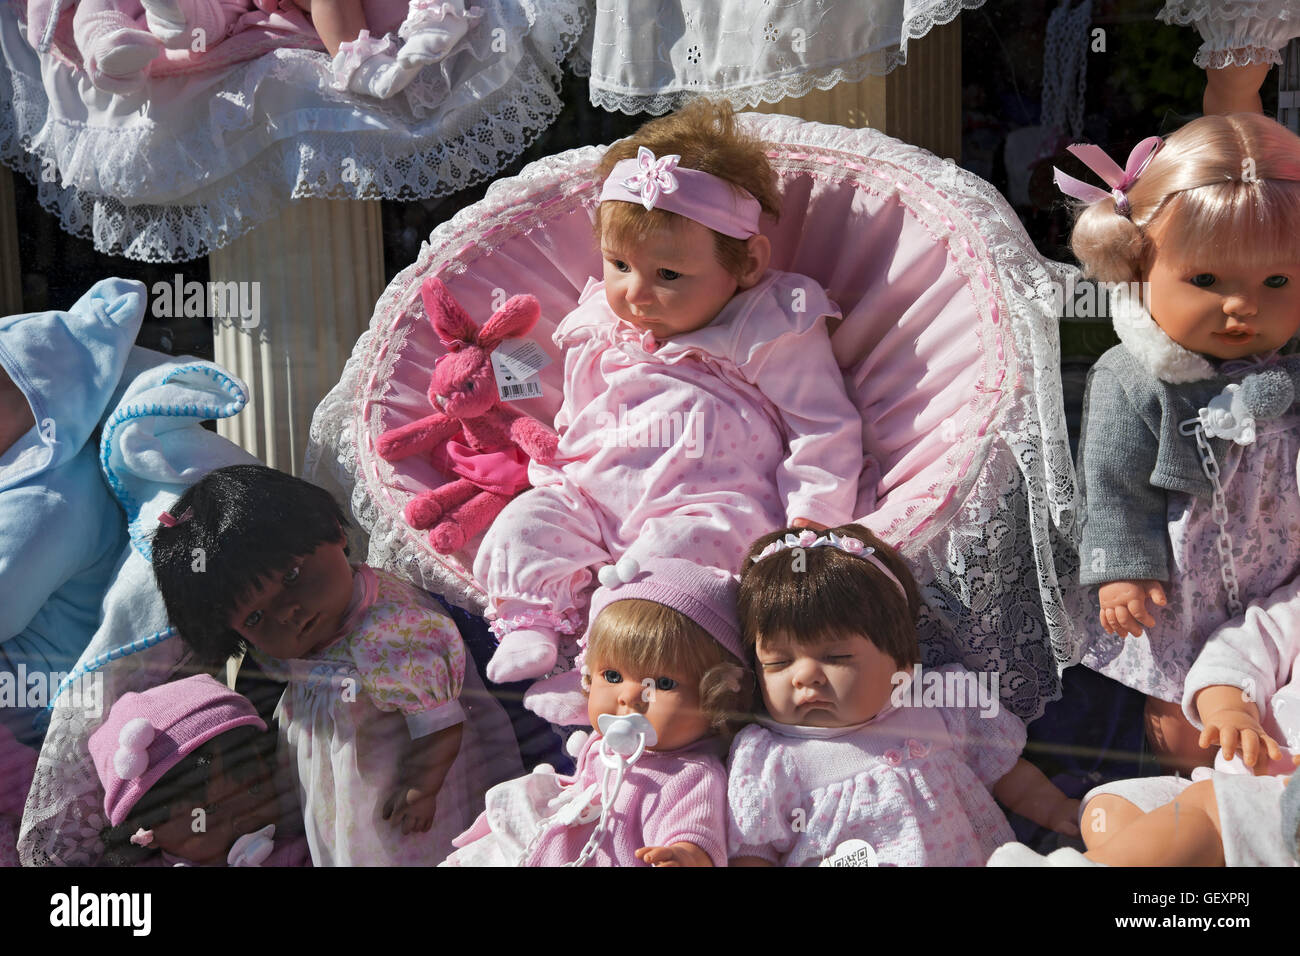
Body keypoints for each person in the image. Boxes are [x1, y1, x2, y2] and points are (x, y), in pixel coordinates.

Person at [475, 98, 865, 700]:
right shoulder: (597, 323)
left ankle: (607, 677)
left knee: (673, 565)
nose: (635, 292)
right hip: (594, 495)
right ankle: (533, 626)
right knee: (525, 524)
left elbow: (823, 427)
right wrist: (558, 480)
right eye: (619, 264)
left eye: (669, 276)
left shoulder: (768, 323)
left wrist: (812, 520)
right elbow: (579, 414)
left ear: (747, 264)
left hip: (704, 501)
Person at [1063, 113, 1300, 769]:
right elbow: (1112, 486)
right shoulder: (1138, 378)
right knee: (1184, 700)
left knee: (1269, 674)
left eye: (1276, 282)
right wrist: (1122, 571)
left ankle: (1260, 788)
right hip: (1181, 580)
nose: (1241, 307)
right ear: (1139, 265)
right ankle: (1186, 788)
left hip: (1275, 567)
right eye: (1206, 280)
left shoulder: (1285, 370)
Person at [150, 464, 520, 864]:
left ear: (333, 531)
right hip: (341, 790)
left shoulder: (392, 630)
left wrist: (422, 787)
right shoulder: (315, 628)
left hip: (400, 784)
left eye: (292, 576)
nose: (287, 612)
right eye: (255, 618)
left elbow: (440, 720)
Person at [728, 525, 1079, 866]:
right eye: (778, 662)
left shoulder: (939, 703)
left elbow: (1006, 773)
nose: (804, 676)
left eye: (837, 657)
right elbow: (755, 852)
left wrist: (1055, 808)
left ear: (901, 659)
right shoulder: (774, 759)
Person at [444, 557, 748, 866]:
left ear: (715, 696)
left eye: (663, 683)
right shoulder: (607, 746)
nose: (630, 697)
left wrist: (683, 855)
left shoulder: (690, 774)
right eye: (613, 677)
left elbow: (695, 832)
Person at [90, 673, 310, 866]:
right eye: (209, 812)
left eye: (255, 788)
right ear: (146, 831)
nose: (243, 818)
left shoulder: (293, 855)